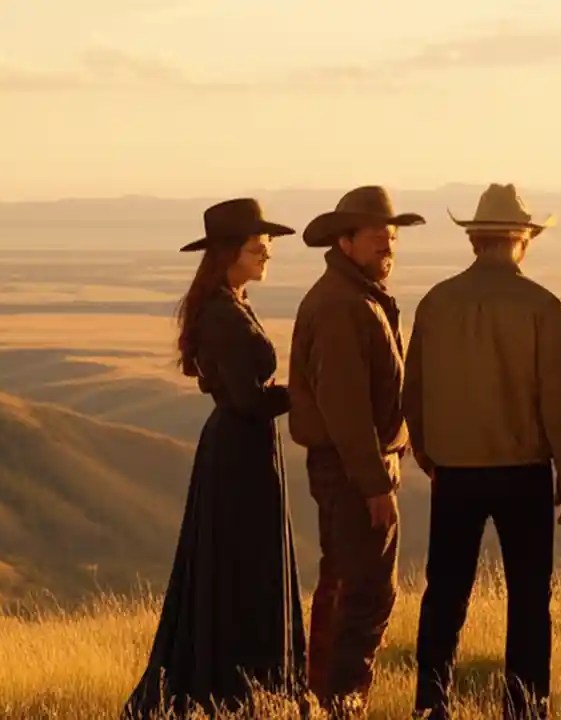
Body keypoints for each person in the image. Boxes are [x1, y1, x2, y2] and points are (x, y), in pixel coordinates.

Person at [404, 183, 561, 720]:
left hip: (455, 470)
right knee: (529, 598)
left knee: (445, 593)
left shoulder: (436, 303)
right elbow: (558, 401)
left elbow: (413, 392)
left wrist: (429, 454)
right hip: (523, 472)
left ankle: (431, 704)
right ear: (523, 239)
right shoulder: (542, 307)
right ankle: (524, 709)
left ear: (475, 239)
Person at [121, 198, 306, 719]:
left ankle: (240, 685)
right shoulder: (225, 313)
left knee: (238, 564)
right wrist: (304, 392)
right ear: (229, 253)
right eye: (257, 246)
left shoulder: (230, 303)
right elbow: (248, 400)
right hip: (239, 452)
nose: (267, 254)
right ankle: (235, 686)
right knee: (243, 564)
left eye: (266, 246)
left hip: (240, 447)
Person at [288, 185, 424, 718]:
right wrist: (374, 485)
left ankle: (331, 701)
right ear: (345, 242)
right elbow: (346, 408)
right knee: (361, 593)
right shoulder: (342, 306)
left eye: (392, 237)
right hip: (352, 472)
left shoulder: (355, 298)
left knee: (351, 586)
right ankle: (339, 705)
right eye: (377, 237)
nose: (388, 245)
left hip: (357, 467)